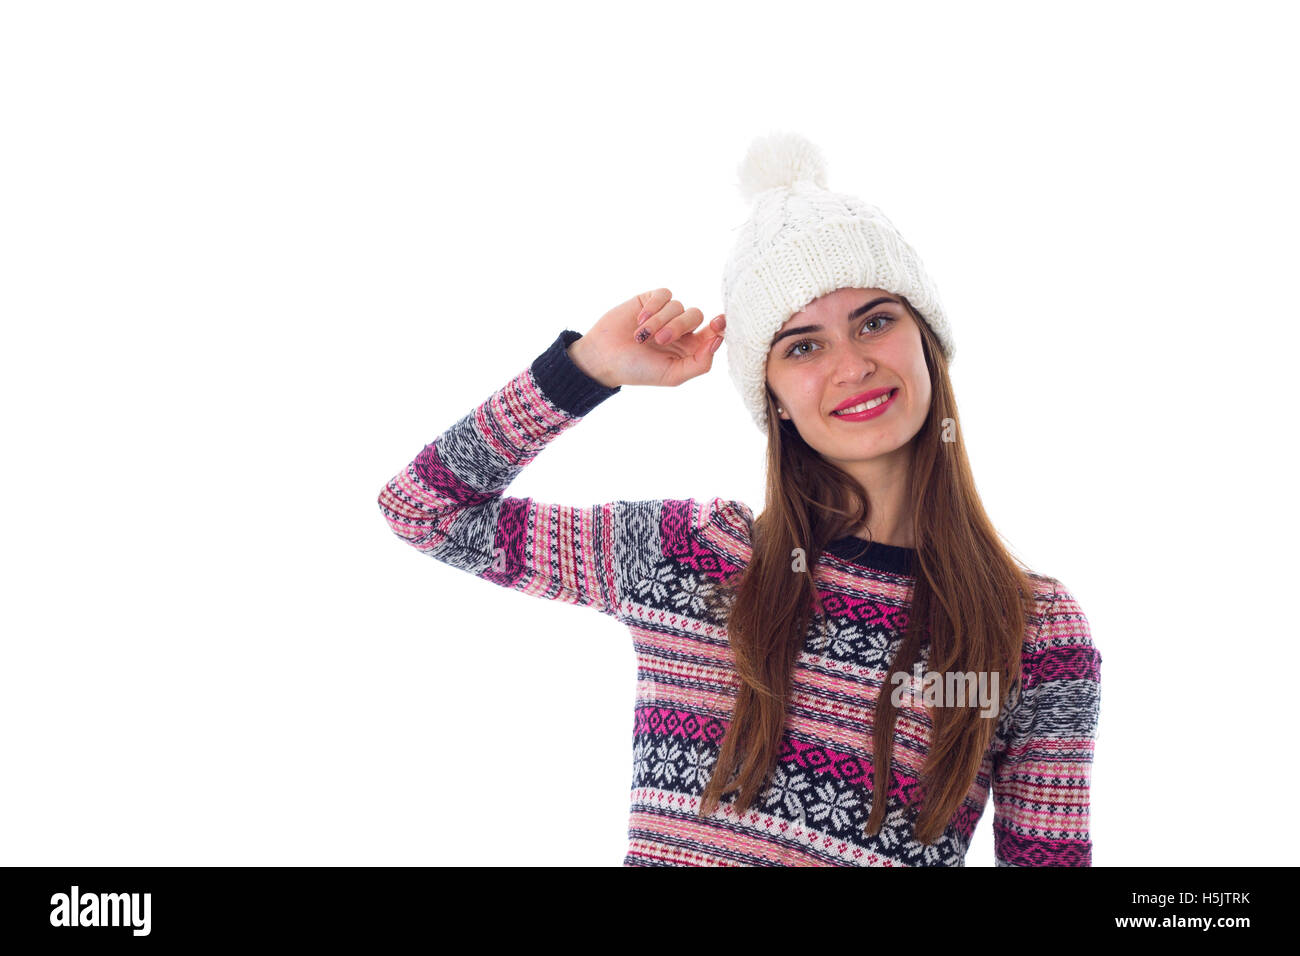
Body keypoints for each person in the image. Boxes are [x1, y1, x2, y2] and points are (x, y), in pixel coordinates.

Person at [377, 131, 1101, 866]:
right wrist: (584, 371)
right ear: (774, 396)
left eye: (876, 322)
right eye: (802, 346)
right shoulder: (690, 558)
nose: (852, 366)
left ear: (928, 343)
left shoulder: (1031, 631)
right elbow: (426, 509)